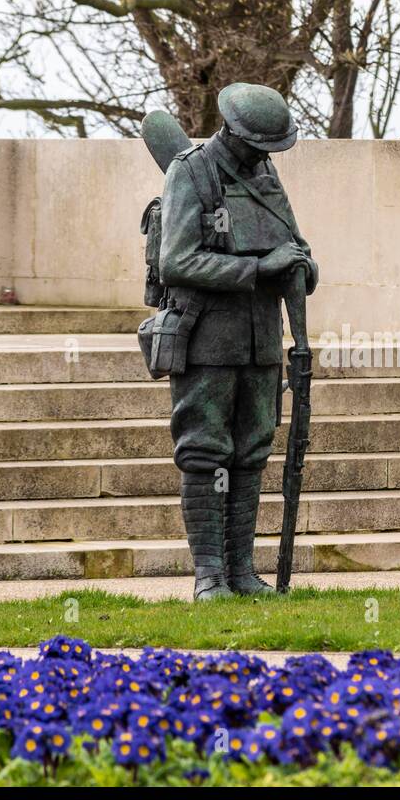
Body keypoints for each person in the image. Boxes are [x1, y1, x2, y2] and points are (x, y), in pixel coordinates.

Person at [158, 83, 318, 600]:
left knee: (251, 453)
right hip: (208, 338)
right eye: (259, 146)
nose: (266, 155)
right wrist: (259, 268)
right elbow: (176, 261)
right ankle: (209, 575)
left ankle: (242, 571)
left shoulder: (264, 174)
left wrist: (303, 267)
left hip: (261, 340)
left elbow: (294, 245)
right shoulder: (191, 171)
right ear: (234, 132)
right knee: (205, 452)